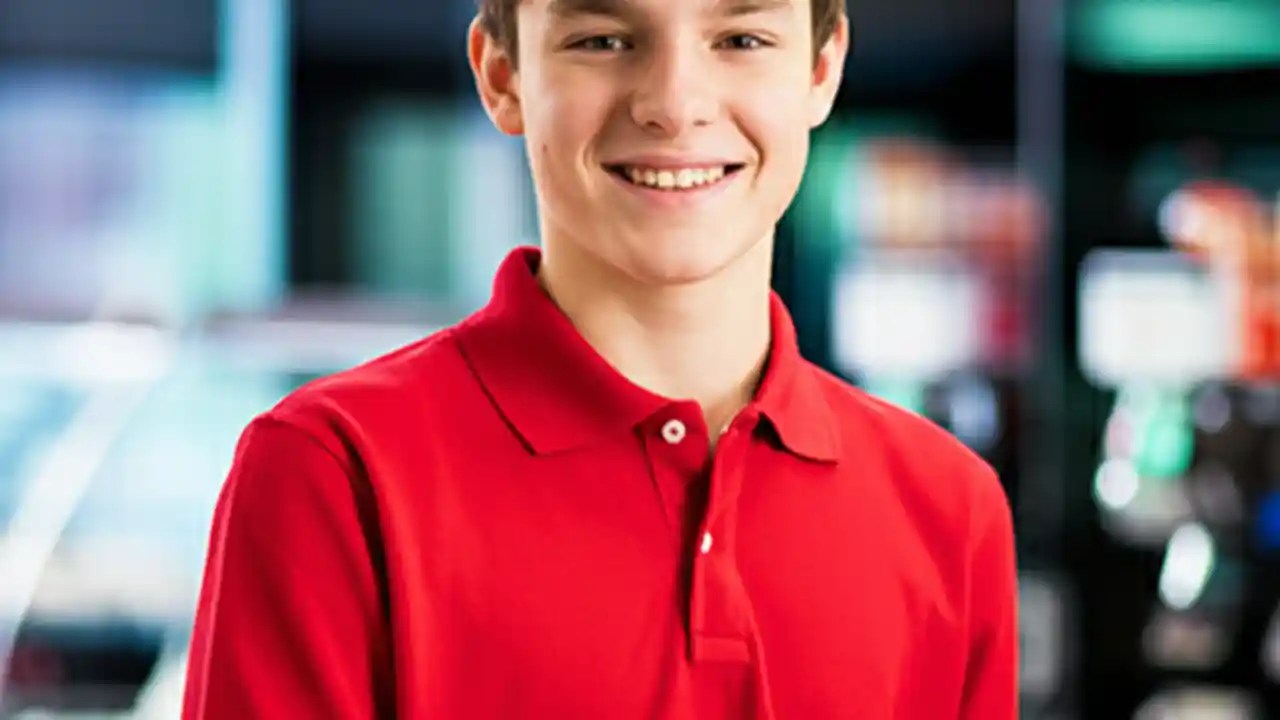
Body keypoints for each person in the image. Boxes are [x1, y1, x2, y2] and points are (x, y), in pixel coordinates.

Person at [181, 0, 1018, 717]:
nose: (674, 104)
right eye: (604, 39)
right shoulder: (333, 473)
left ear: (821, 69)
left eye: (741, 39)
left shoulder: (948, 509)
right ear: (502, 74)